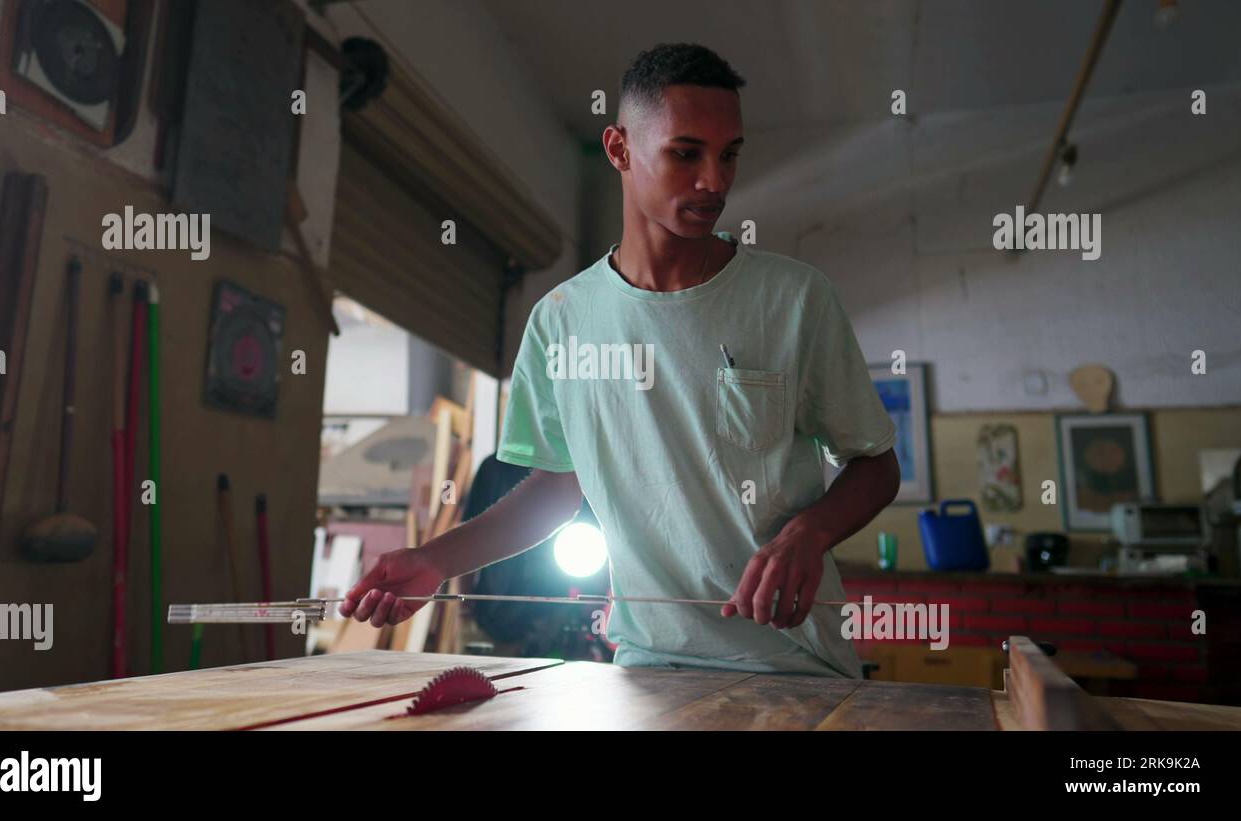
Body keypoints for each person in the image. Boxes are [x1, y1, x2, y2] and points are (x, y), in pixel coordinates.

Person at [341, 43, 900, 677]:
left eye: (730, 155)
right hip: (645, 665)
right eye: (686, 153)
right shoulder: (561, 320)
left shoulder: (795, 299)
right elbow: (556, 486)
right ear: (619, 149)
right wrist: (436, 561)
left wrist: (811, 532)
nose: (714, 181)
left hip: (794, 663)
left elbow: (876, 466)